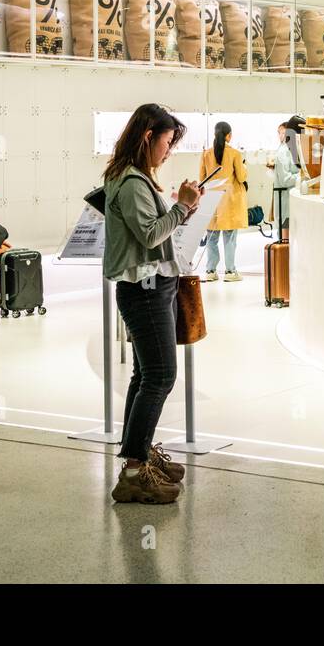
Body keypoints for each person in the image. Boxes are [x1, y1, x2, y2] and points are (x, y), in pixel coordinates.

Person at [103, 103, 202, 504]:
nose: (168, 150)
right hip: (144, 290)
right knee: (160, 376)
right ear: (148, 137)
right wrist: (181, 207)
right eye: (165, 142)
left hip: (148, 287)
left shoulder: (133, 178)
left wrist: (181, 206)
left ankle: (138, 457)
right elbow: (148, 235)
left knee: (144, 376)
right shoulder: (131, 183)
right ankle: (132, 469)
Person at [199, 121, 248, 282]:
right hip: (230, 201)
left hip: (211, 200)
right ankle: (230, 271)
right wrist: (245, 168)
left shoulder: (206, 154)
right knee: (230, 237)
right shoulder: (235, 154)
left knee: (212, 237)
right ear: (228, 135)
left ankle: (210, 270)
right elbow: (241, 177)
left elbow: (202, 179)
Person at [270, 116, 305, 235]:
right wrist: (302, 176)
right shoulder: (283, 152)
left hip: (293, 203)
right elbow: (285, 180)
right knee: (285, 242)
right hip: (285, 204)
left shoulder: (294, 149)